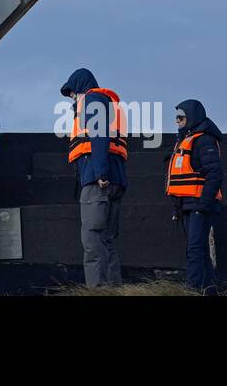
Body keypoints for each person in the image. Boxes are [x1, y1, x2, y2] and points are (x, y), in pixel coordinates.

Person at [60, 68, 128, 288]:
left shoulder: (93, 99)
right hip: (115, 179)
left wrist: (99, 172)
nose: (72, 97)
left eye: (72, 91)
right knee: (107, 239)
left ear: (81, 87)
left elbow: (98, 135)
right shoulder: (109, 103)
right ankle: (113, 289)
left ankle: (97, 289)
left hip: (98, 180)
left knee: (92, 239)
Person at [166, 99, 224, 294]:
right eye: (176, 118)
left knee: (195, 251)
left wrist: (202, 205)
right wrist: (177, 208)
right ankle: (209, 291)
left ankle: (192, 290)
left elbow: (215, 174)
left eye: (181, 117)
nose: (177, 121)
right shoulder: (183, 140)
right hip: (188, 205)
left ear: (191, 117)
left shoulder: (204, 140)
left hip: (200, 205)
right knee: (199, 252)